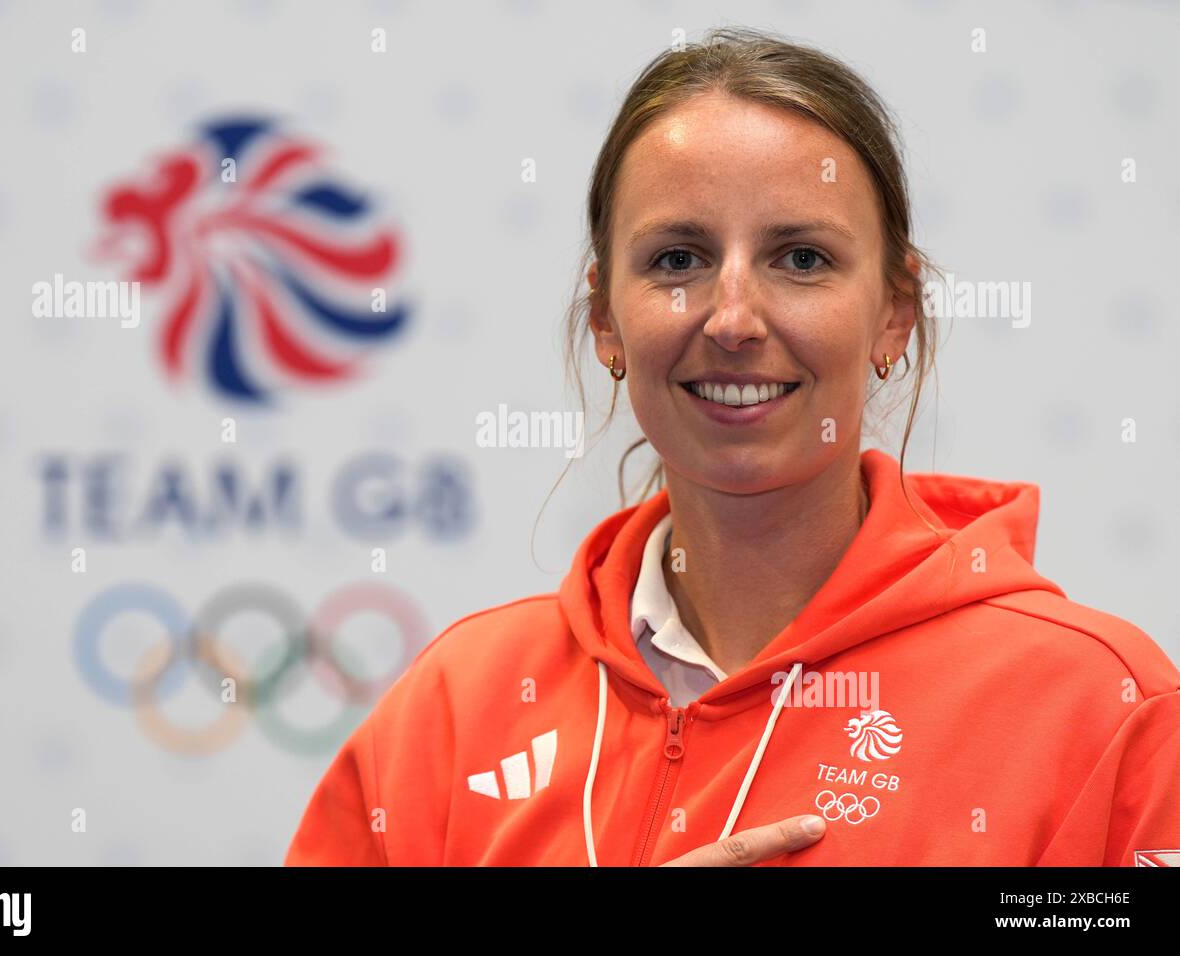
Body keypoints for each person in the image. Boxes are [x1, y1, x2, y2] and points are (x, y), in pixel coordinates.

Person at [285, 27, 1180, 867]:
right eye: (678, 259)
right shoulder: (458, 704)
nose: (734, 319)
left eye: (801, 259)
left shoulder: (1097, 704)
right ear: (605, 320)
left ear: (894, 313)